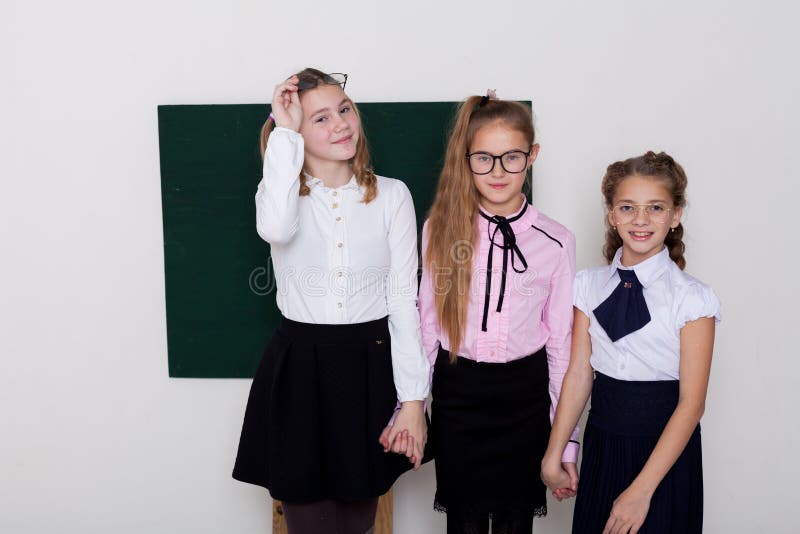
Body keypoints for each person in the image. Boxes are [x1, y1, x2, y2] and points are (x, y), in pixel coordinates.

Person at [232, 68, 430, 534]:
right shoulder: (278, 194)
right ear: (296, 131)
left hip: (369, 369)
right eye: (319, 118)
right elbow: (276, 229)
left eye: (344, 110)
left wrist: (414, 402)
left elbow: (403, 300)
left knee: (359, 518)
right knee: (308, 520)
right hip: (301, 368)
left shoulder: (392, 195)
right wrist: (283, 131)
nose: (340, 124)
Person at [416, 92, 580, 534]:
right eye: (484, 159)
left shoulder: (557, 241)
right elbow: (428, 326)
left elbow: (562, 346)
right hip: (458, 396)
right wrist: (408, 408)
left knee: (514, 523)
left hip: (524, 400)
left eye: (511, 158)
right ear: (466, 160)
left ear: (533, 157)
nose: (498, 172)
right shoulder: (441, 228)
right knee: (464, 523)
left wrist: (566, 444)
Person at [541, 151, 721, 534]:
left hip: (664, 454)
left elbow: (692, 405)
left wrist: (641, 491)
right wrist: (554, 454)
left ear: (675, 216)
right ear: (611, 214)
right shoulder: (587, 287)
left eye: (656, 208)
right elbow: (578, 375)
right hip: (604, 443)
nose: (641, 220)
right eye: (627, 207)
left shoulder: (692, 299)